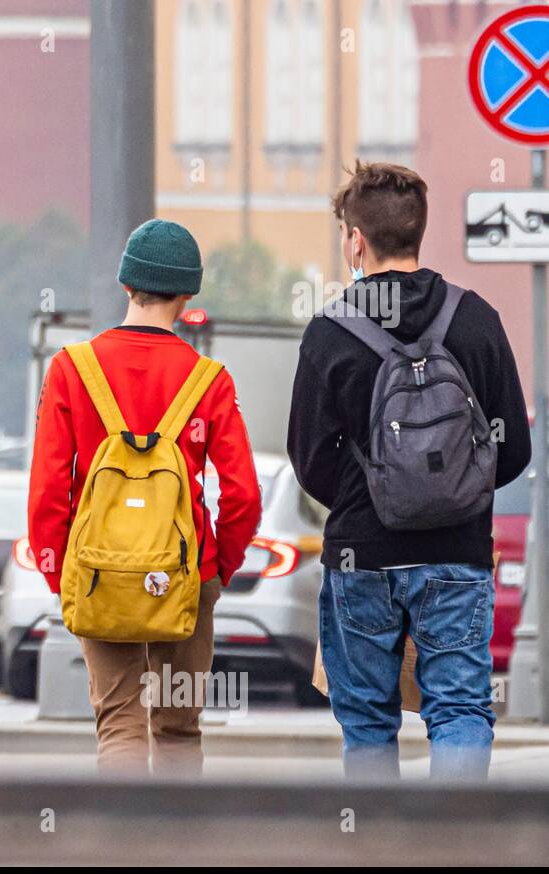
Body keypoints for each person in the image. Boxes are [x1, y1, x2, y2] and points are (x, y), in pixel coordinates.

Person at [288, 161, 531, 779]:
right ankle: (454, 851)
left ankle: (377, 851)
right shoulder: (475, 319)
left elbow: (309, 458)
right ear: (418, 232)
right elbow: (515, 448)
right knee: (460, 709)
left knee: (368, 719)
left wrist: (369, 493)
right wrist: (453, 496)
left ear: (355, 240)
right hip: (457, 553)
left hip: (361, 556)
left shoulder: (328, 331)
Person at [29, 219, 262, 774]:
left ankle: (121, 848)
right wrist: (215, 570)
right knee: (179, 729)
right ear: (187, 294)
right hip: (184, 577)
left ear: (126, 285)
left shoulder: (71, 369)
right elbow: (244, 495)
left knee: (118, 723)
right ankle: (179, 849)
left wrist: (64, 574)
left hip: (98, 577)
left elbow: (47, 492)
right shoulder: (209, 379)